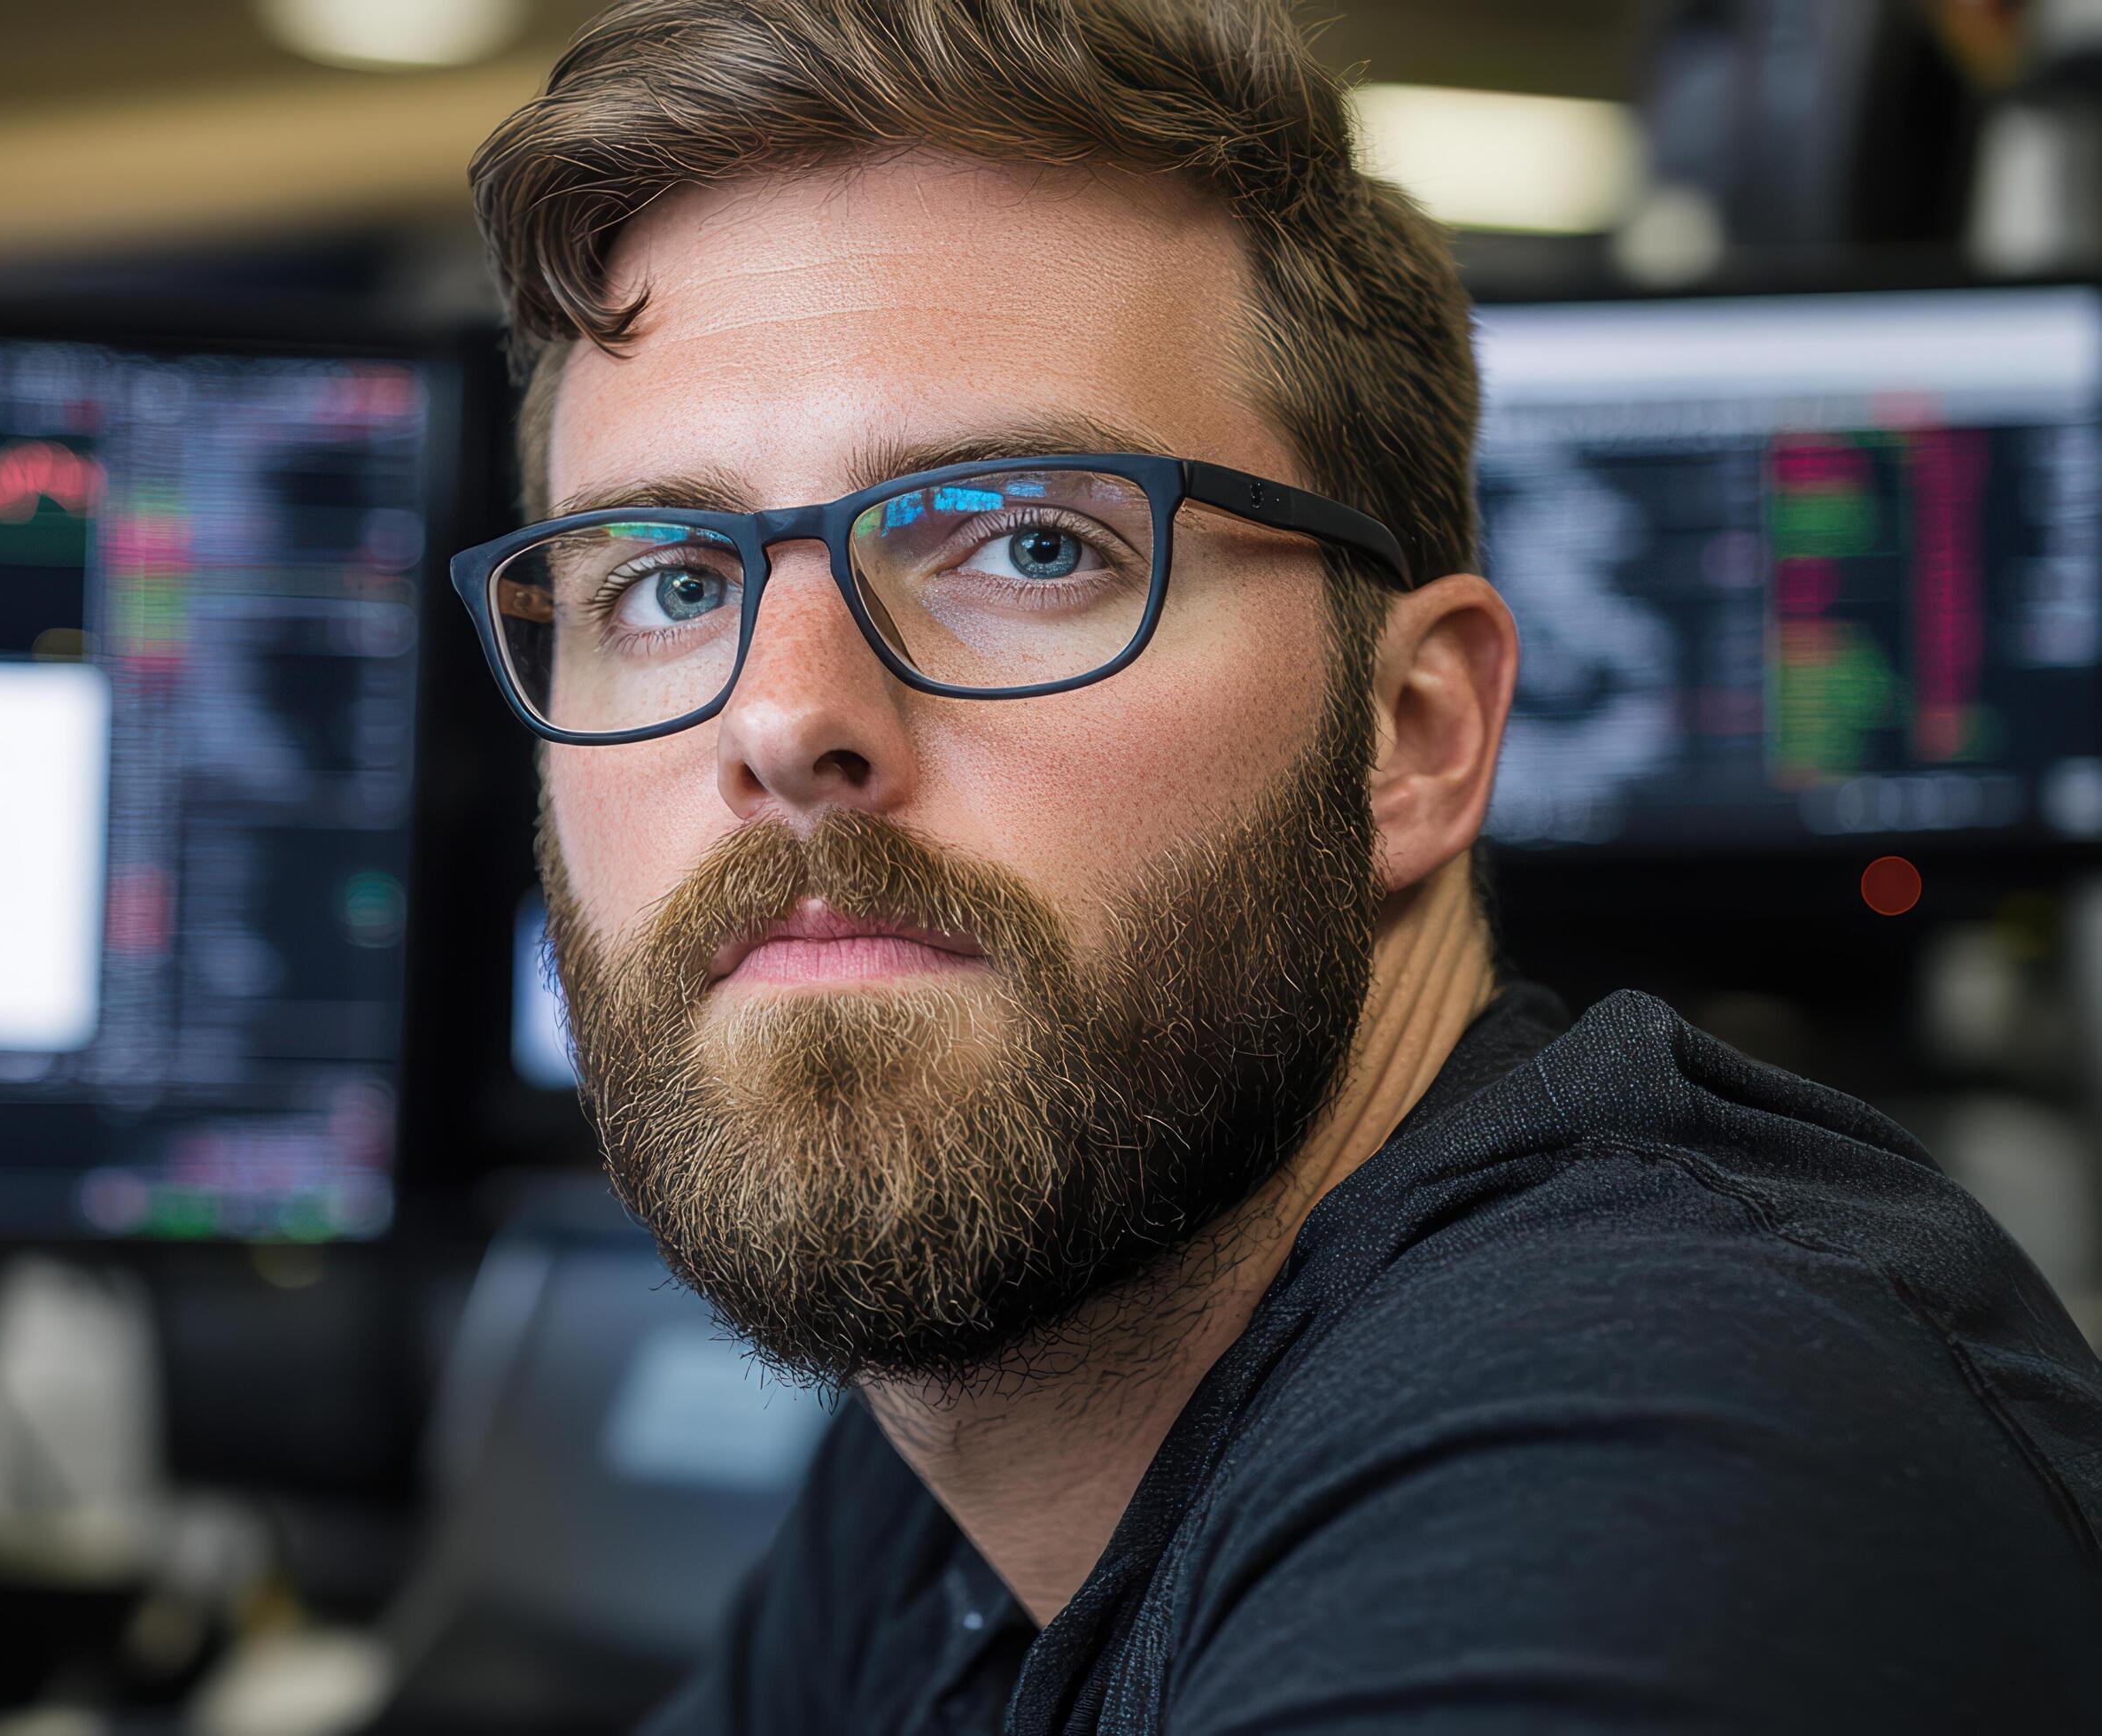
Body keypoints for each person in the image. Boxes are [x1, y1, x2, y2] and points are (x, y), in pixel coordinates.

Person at [445, 1, 2102, 1729]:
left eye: (1028, 542)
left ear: (1415, 731)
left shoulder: (1664, 1442)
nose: (782, 718)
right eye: (669, 583)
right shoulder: (973, 1435)